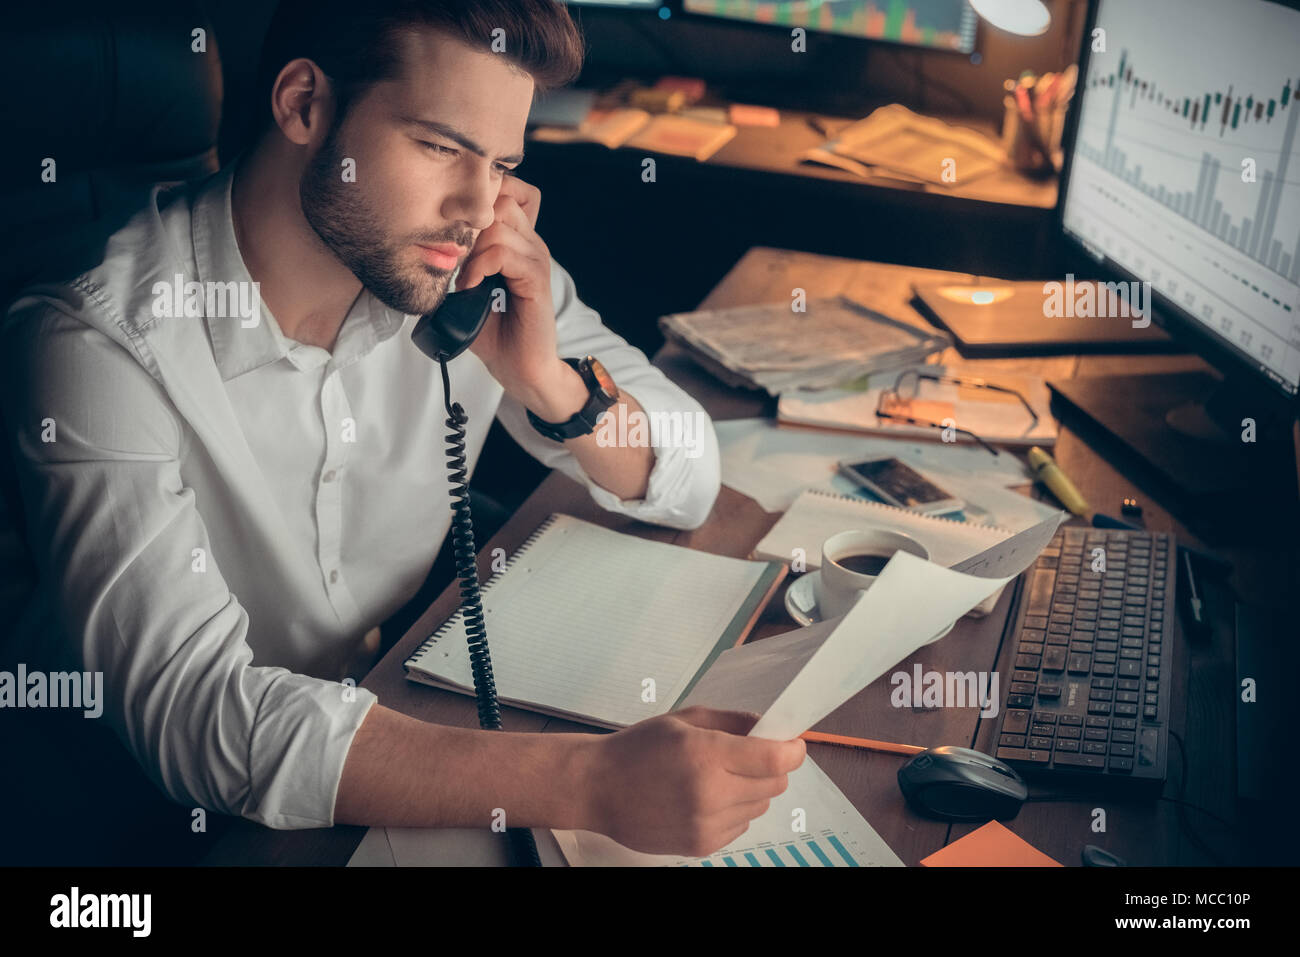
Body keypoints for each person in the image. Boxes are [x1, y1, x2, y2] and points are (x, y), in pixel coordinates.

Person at [0, 0, 804, 858]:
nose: (476, 204)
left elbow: (691, 472)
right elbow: (203, 717)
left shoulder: (461, 263)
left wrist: (549, 383)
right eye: (440, 147)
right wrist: (589, 781)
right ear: (305, 104)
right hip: (141, 820)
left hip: (385, 717)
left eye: (500, 163)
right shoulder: (96, 345)